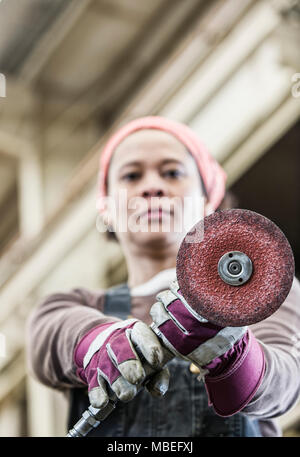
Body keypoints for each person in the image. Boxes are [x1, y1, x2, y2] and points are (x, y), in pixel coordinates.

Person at [26, 116, 300, 437]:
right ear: (107, 210)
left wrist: (232, 353)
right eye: (131, 175)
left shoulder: (257, 290)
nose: (152, 187)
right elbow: (50, 333)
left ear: (206, 201)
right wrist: (100, 342)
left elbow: (283, 385)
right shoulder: (77, 304)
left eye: (172, 173)